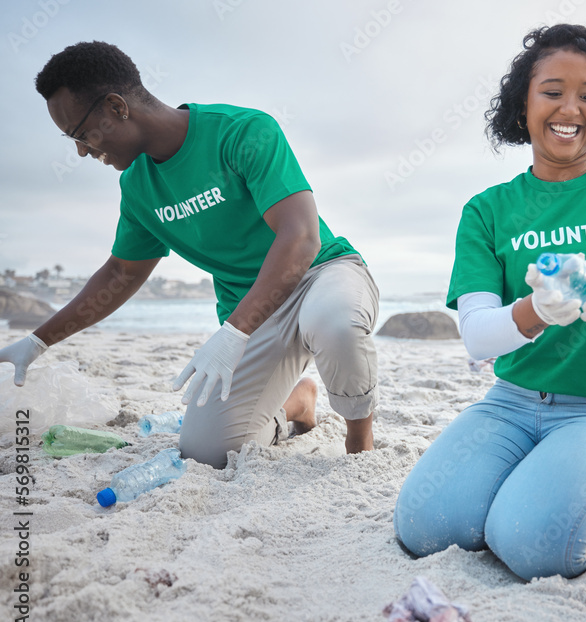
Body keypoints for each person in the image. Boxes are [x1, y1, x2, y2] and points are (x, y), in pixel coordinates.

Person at [393, 25, 586, 581]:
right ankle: (555, 481)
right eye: (552, 91)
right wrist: (536, 312)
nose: (571, 108)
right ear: (523, 104)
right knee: (427, 527)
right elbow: (477, 336)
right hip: (510, 404)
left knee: (532, 544)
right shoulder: (487, 210)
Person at [0, 41, 379, 467]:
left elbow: (300, 236)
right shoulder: (138, 188)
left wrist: (234, 332)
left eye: (81, 134)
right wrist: (38, 340)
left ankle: (359, 443)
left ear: (116, 107)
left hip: (321, 274)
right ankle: (297, 402)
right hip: (253, 311)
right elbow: (121, 273)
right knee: (208, 451)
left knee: (336, 325)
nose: (82, 151)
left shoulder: (241, 131)